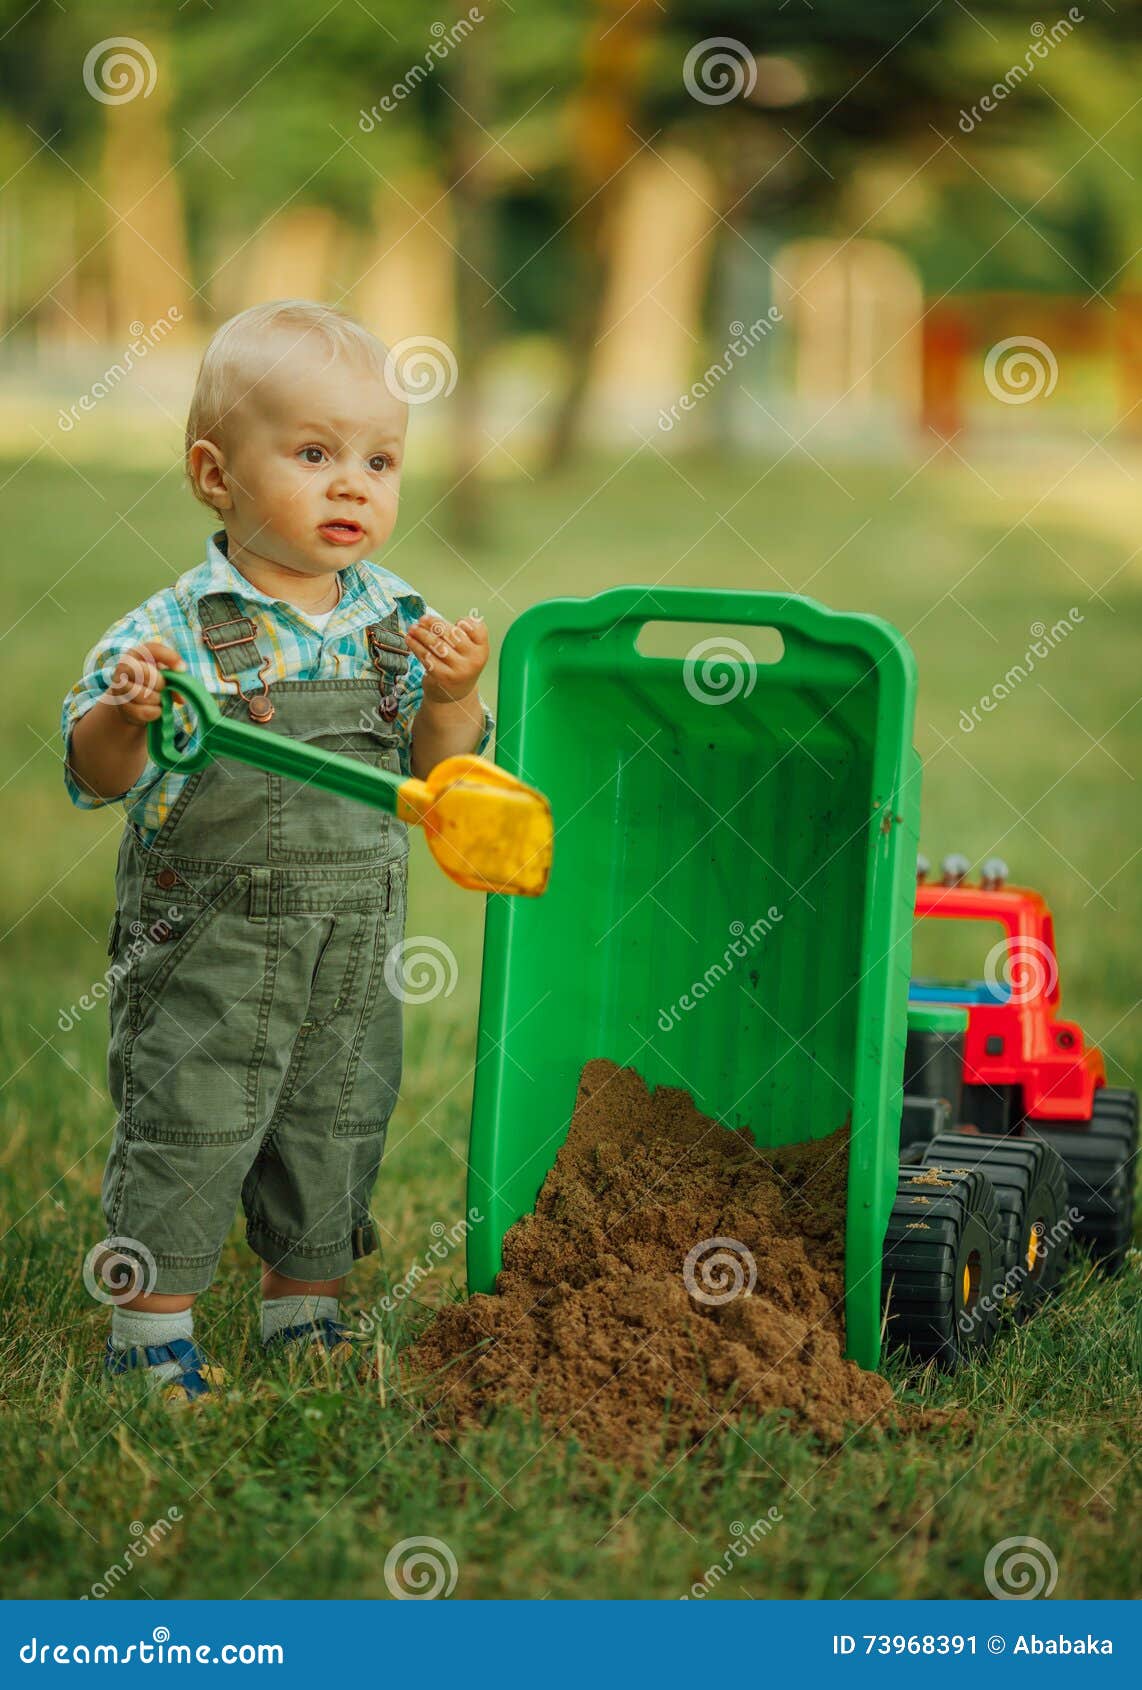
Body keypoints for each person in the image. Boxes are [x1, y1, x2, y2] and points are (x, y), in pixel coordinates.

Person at [61, 299, 493, 1403]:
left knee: (336, 1116)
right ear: (215, 473)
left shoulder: (397, 620)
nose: (354, 483)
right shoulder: (170, 633)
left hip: (349, 949)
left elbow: (440, 773)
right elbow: (95, 771)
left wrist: (449, 697)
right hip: (206, 948)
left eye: (379, 460)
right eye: (313, 453)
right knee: (191, 1118)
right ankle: (150, 1328)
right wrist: (127, 713)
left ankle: (304, 1305)